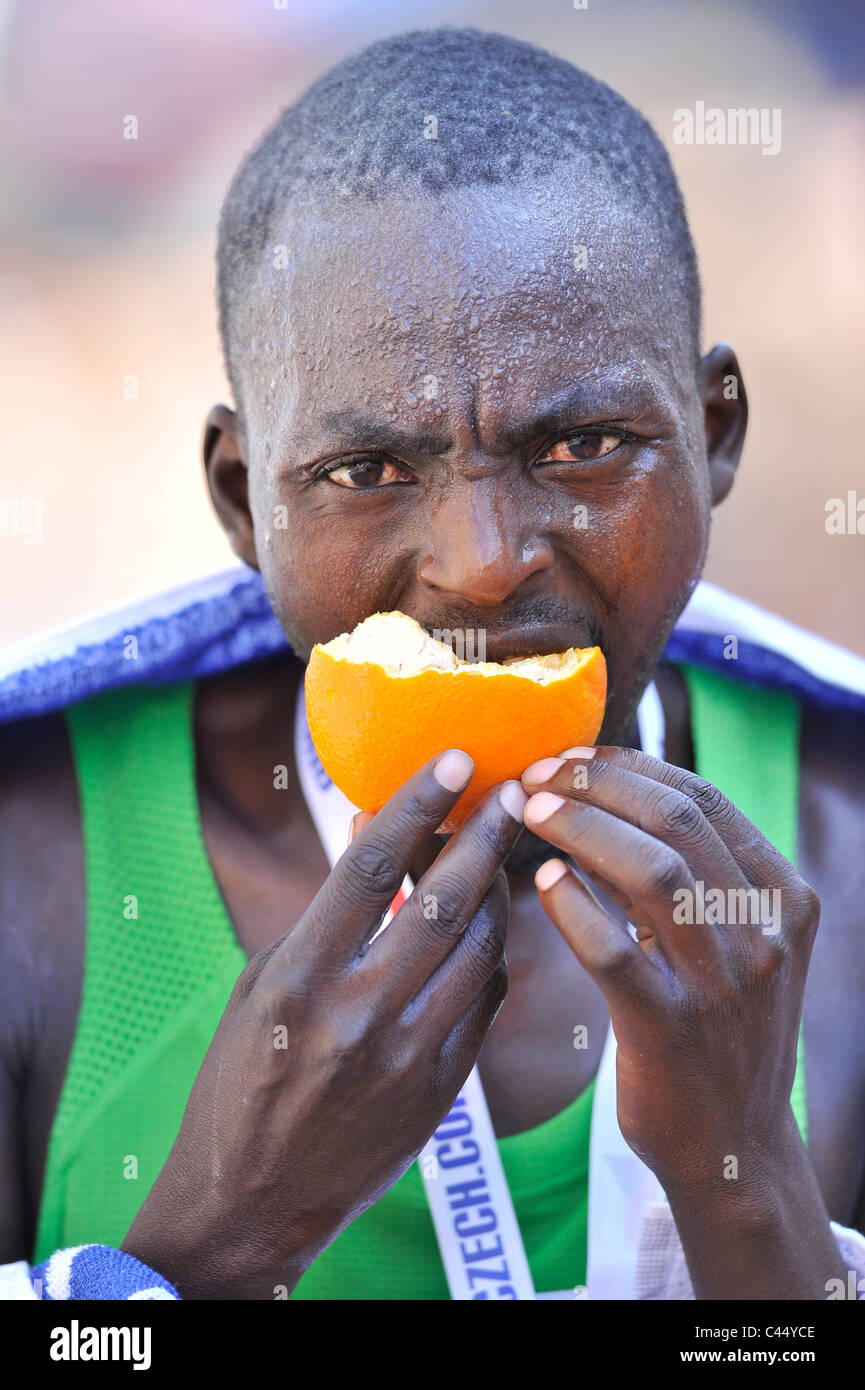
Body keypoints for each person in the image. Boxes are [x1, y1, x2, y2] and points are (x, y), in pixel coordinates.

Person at [1, 27, 864, 1302]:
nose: (484, 562)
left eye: (582, 445)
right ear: (245, 504)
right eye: (365, 472)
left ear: (713, 433)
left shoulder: (843, 847)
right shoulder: (36, 876)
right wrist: (212, 1244)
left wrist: (746, 1183)